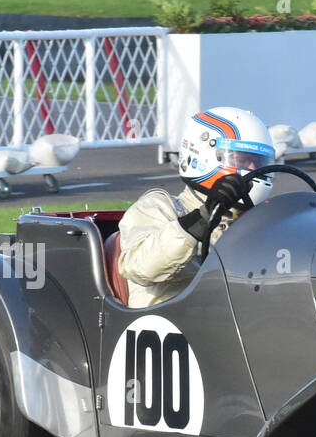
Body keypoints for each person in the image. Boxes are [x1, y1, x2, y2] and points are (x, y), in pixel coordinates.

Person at [118, 107, 276, 308]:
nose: (253, 169)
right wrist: (200, 221)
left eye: (258, 162)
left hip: (232, 321)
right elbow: (140, 268)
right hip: (171, 319)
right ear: (202, 155)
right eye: (243, 160)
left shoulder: (256, 220)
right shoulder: (157, 206)